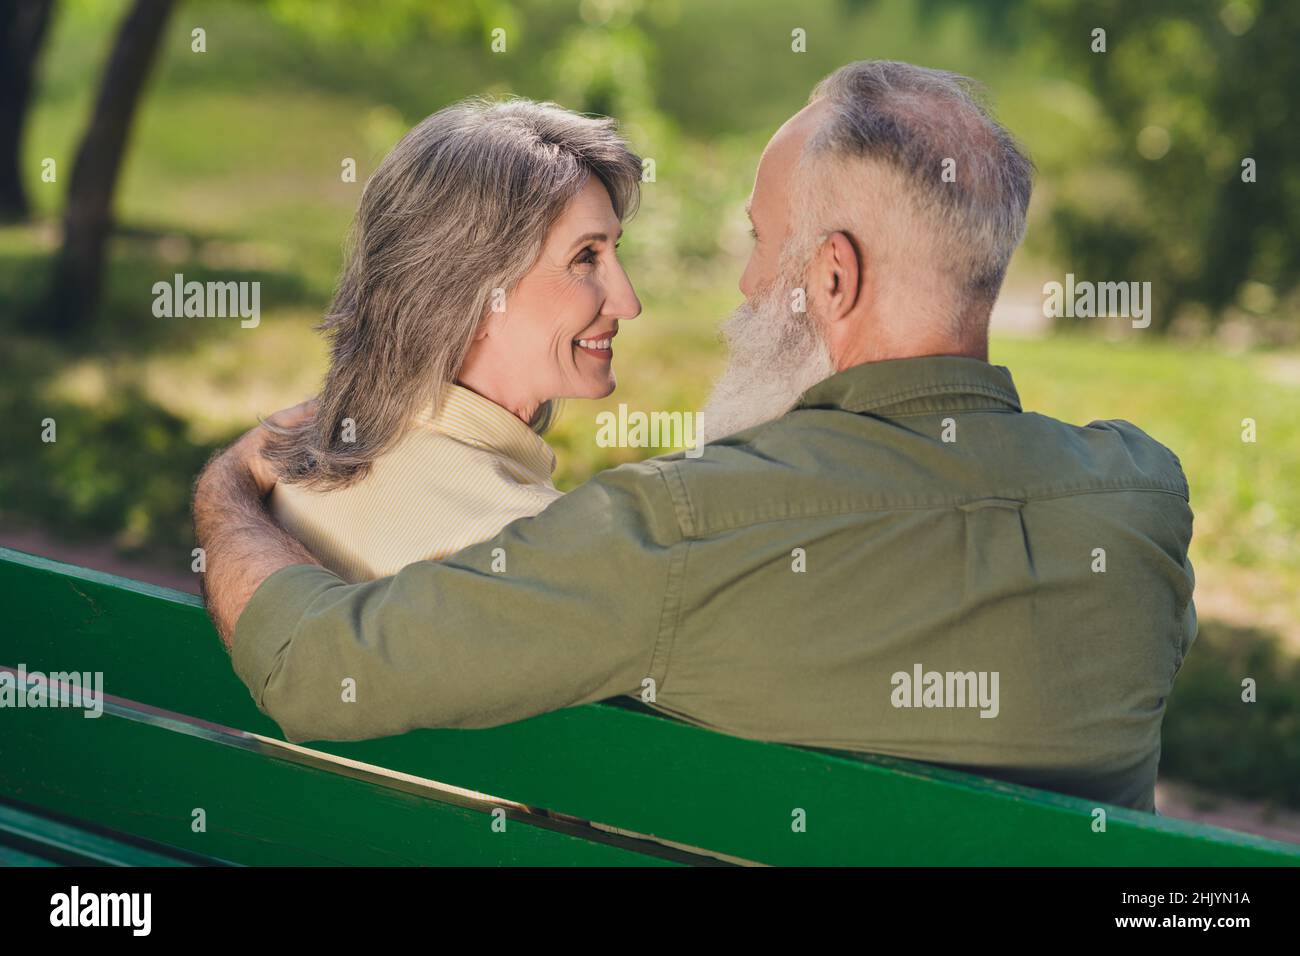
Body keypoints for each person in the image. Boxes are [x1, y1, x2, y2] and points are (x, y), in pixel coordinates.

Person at [194, 61, 1196, 813]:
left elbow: (319, 667)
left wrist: (227, 492)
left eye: (761, 245)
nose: (748, 286)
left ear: (833, 279)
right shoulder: (1141, 504)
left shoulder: (680, 530)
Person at [261, 99, 642, 582]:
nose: (627, 302)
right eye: (585, 258)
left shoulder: (292, 474)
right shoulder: (530, 540)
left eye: (613, 250)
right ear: (468, 294)